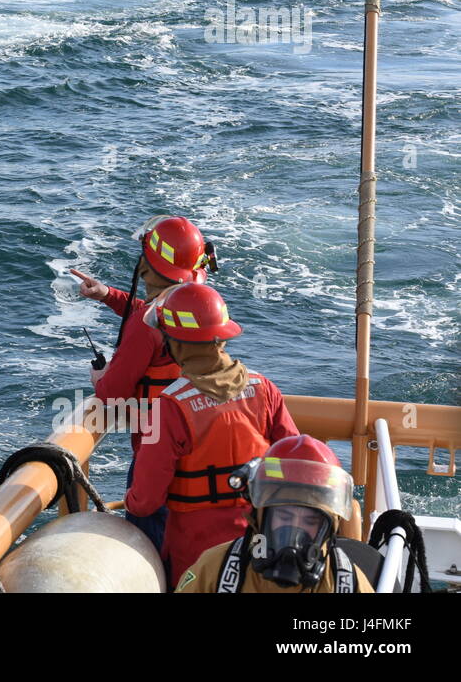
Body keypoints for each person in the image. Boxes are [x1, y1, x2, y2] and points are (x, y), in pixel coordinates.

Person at [124, 282, 299, 585]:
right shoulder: (264, 388)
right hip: (257, 541)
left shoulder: (168, 407)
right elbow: (295, 459)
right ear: (220, 337)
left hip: (195, 552)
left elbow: (146, 501)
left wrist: (127, 502)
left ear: (174, 343)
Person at [70, 215, 215, 551]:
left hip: (157, 452)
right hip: (199, 444)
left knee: (151, 548)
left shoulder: (144, 325)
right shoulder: (199, 305)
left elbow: (113, 391)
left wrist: (99, 379)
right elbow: (158, 318)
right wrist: (108, 295)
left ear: (148, 266)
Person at [177, 435, 374, 593]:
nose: (295, 531)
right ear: (260, 518)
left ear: (328, 528)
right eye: (285, 517)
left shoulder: (347, 585)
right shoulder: (214, 569)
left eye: (310, 521)